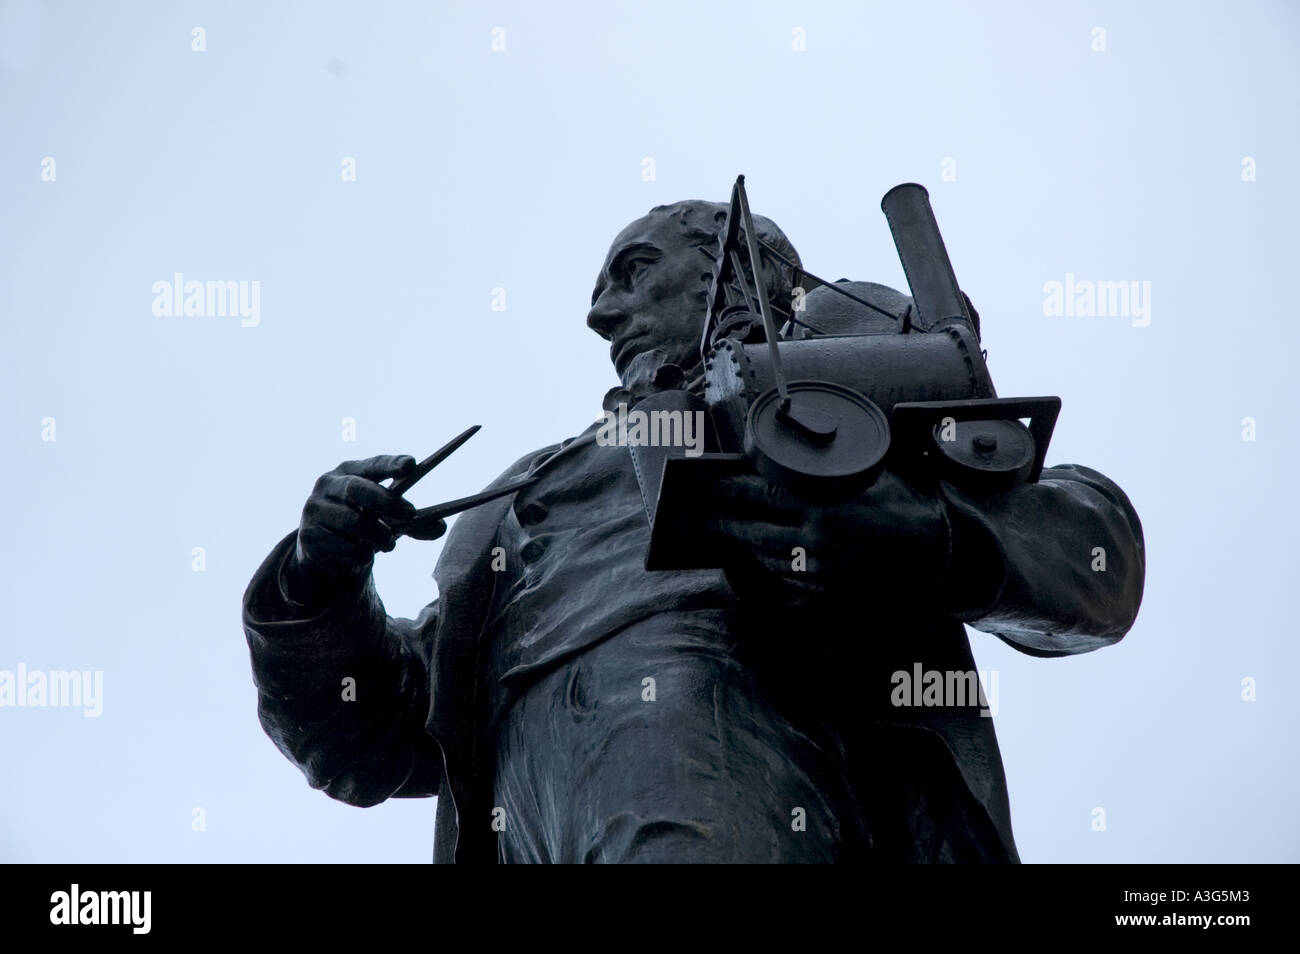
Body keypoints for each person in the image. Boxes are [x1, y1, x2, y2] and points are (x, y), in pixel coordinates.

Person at [242, 200, 1145, 863]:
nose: (599, 317)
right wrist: (317, 582)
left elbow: (1097, 558)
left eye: (632, 272)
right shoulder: (529, 493)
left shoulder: (831, 394)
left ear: (734, 263)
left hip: (731, 752)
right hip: (526, 816)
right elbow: (373, 738)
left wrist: (923, 539)